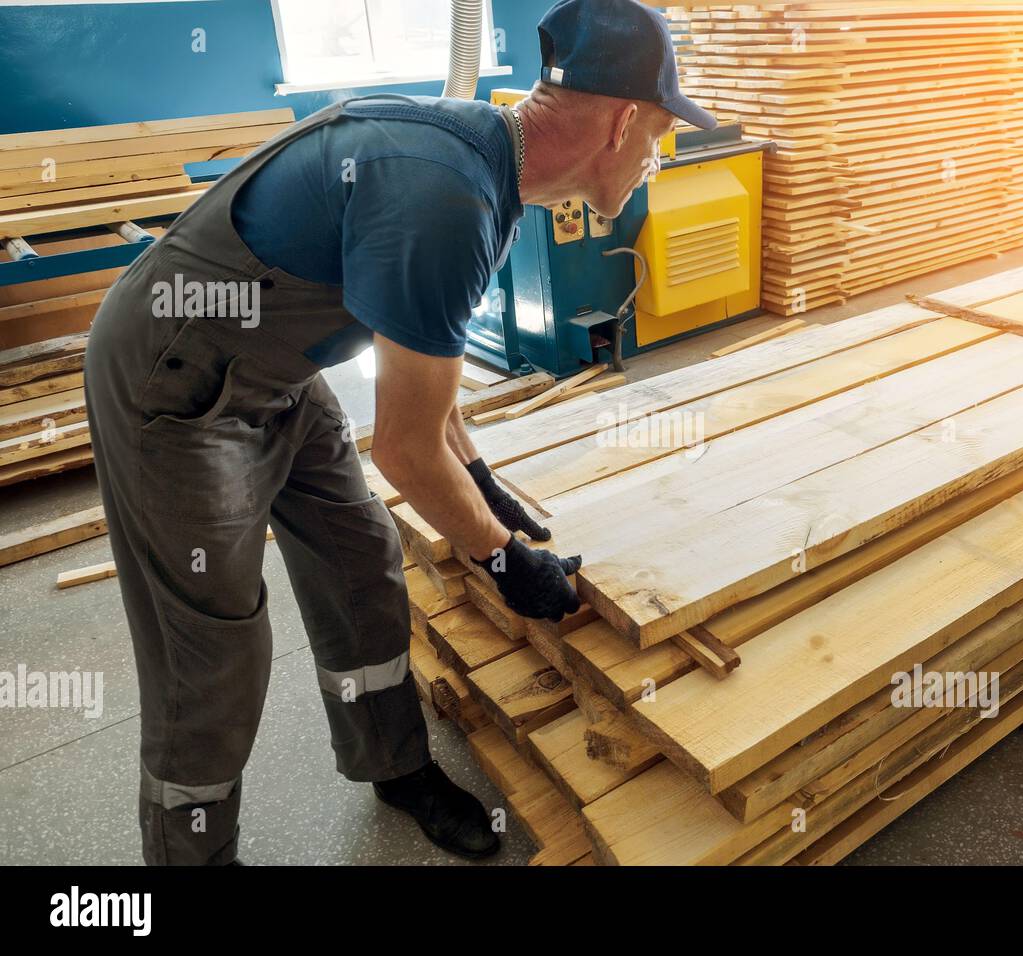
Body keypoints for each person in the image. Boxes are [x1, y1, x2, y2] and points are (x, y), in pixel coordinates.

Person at [83, 0, 715, 866]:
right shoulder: (446, 198)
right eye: (661, 135)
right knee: (213, 654)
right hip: (177, 382)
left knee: (360, 565)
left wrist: (483, 482)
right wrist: (502, 561)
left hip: (278, 367)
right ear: (620, 122)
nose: (656, 157)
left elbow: (428, 386)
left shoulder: (493, 168)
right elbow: (405, 451)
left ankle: (397, 768)